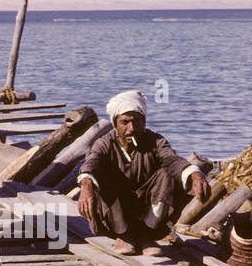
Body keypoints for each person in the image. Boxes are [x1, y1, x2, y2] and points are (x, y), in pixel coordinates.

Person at [76, 89, 210, 255]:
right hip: (117, 213)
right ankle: (124, 235)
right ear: (115, 123)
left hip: (147, 210)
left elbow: (172, 159)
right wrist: (86, 184)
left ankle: (146, 234)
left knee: (168, 173)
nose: (131, 128)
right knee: (100, 175)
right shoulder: (104, 144)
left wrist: (195, 175)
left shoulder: (155, 141)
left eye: (136, 121)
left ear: (144, 121)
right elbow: (92, 163)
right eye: (124, 122)